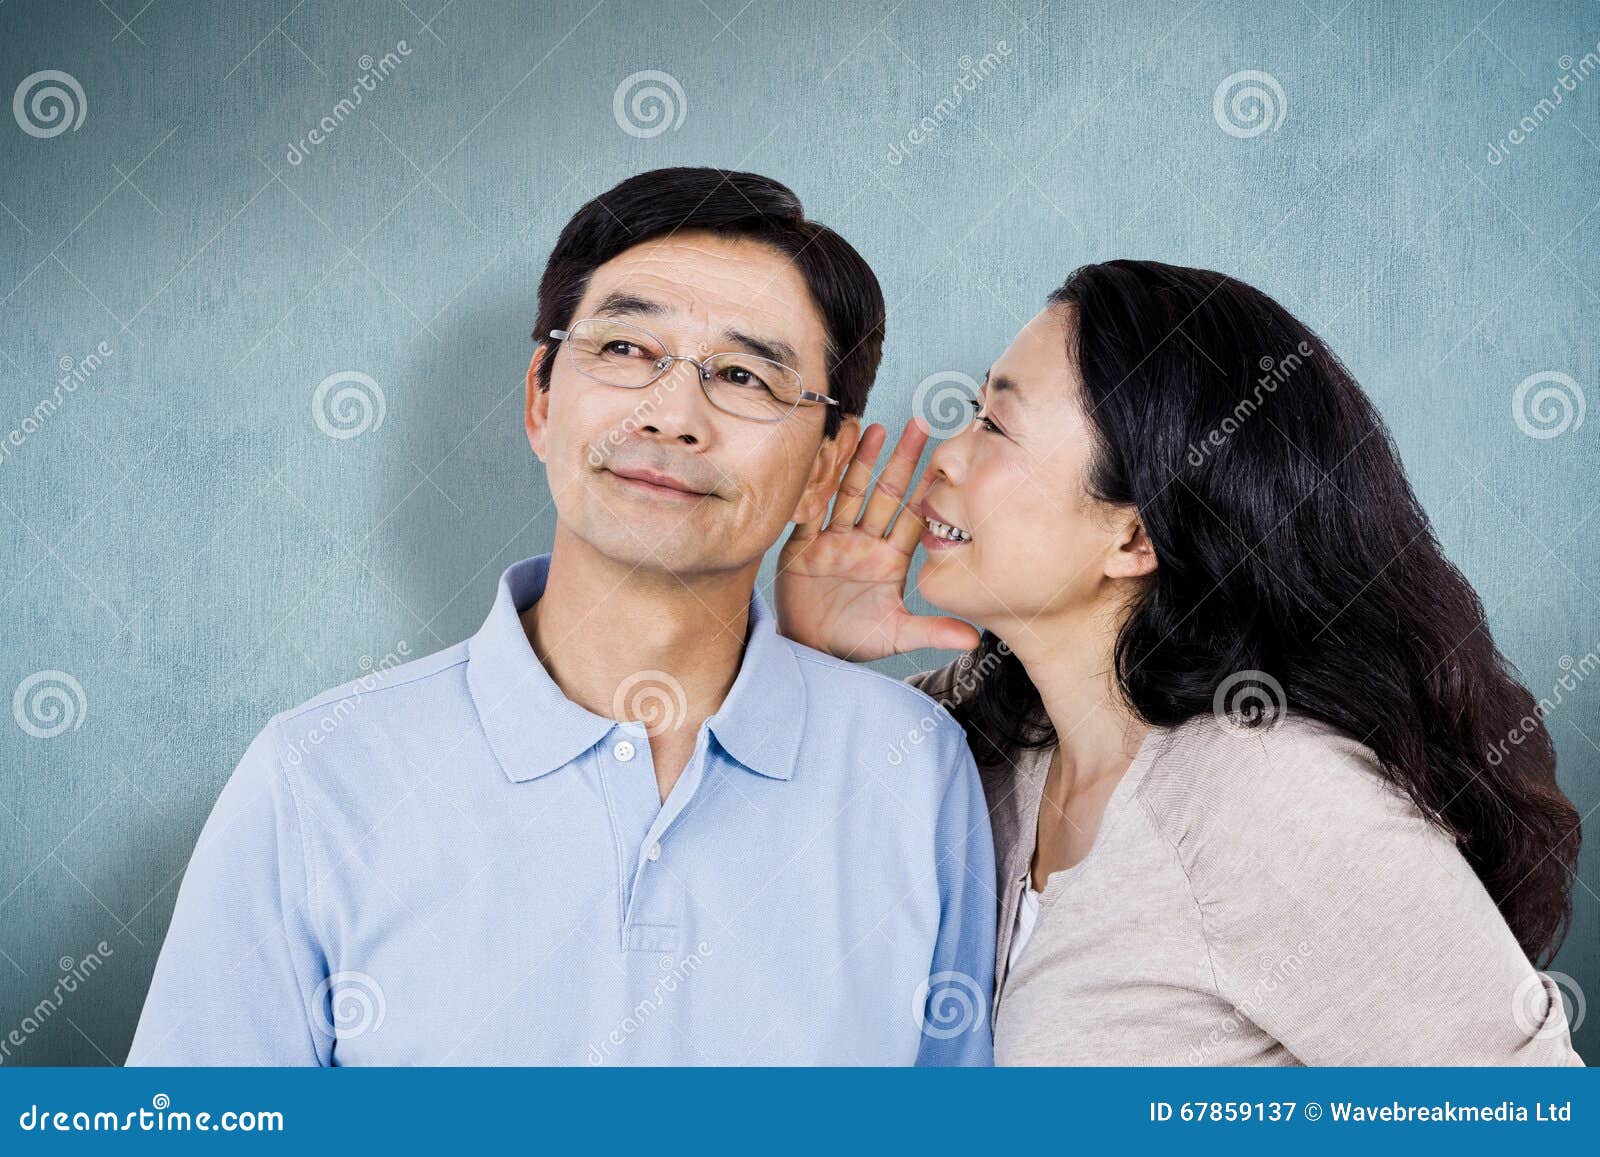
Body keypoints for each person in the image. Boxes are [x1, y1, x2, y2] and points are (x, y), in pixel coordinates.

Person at [127, 168, 995, 1066]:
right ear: (542, 395)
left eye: (742, 374)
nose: (672, 415)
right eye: (625, 350)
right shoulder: (319, 777)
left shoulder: (914, 771)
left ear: (826, 462)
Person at [776, 258, 1584, 1065]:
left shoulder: (1270, 795)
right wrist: (814, 657)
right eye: (972, 410)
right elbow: (778, 907)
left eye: (996, 426)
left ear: (1134, 537)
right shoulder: (986, 732)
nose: (944, 457)